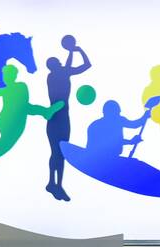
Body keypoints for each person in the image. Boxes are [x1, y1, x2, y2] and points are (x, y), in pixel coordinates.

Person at [45, 35, 91, 201]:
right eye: (57, 63)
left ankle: (56, 184)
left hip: (58, 119)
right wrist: (75, 50)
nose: (60, 64)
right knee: (58, 152)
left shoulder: (60, 73)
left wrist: (75, 51)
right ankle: (54, 184)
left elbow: (85, 65)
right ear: (53, 67)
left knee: (59, 153)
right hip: (58, 119)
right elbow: (82, 65)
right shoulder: (57, 75)